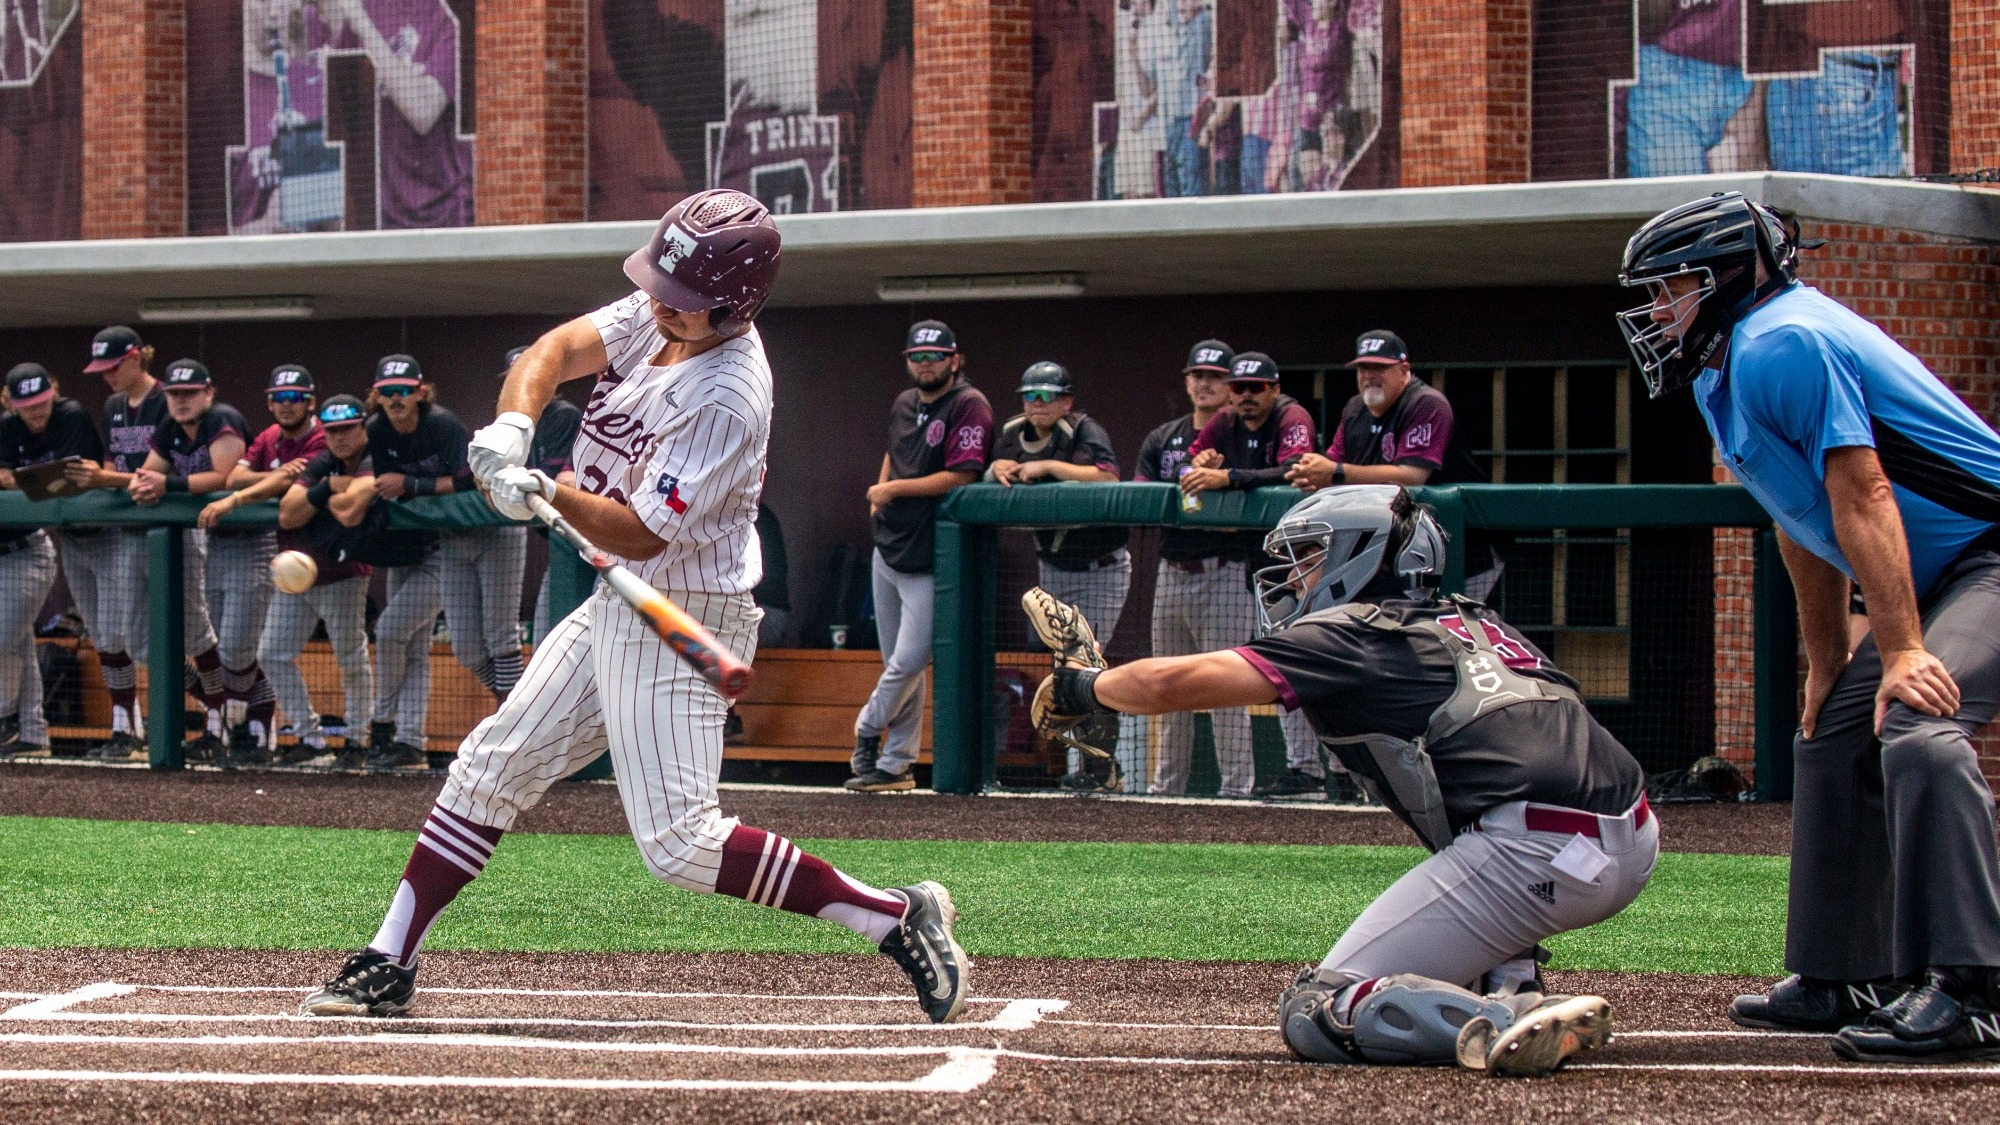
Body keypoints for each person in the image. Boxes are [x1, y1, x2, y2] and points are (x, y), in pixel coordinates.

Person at [302, 189, 968, 1025]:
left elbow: (644, 533)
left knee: (681, 843)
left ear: (734, 304)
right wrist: (515, 424)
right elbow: (555, 348)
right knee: (490, 766)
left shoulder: (729, 391)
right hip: (618, 602)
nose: (659, 303)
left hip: (682, 611)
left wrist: (548, 488)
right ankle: (388, 957)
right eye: (660, 284)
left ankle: (897, 915)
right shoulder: (666, 303)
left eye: (682, 300)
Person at [1025, 485, 1651, 1077]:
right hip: (1632, 836)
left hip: (1531, 855)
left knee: (1319, 1010)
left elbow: (1173, 684)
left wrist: (1087, 686)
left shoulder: (1353, 632)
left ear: (1366, 554)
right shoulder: (1476, 620)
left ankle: (1501, 1019)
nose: (1293, 577)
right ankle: (1511, 978)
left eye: (1310, 557)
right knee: (1472, 820)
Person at [1619, 191, 2000, 1063]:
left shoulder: (1786, 339)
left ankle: (1972, 985)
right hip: (1935, 577)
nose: (1652, 311)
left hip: (1987, 557)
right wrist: (1828, 661)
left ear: (1718, 281)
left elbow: (1862, 491)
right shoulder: (1719, 369)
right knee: (1830, 734)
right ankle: (1843, 972)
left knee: (1919, 725)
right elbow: (1802, 519)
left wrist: (1901, 650)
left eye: (1666, 289)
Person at [848, 319, 993, 793]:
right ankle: (895, 765)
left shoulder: (969, 404)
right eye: (918, 357)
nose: (926, 364)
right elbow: (893, 452)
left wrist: (891, 489)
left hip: (933, 553)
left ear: (956, 360)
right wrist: (880, 493)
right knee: (896, 661)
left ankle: (867, 729)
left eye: (935, 357)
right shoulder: (904, 402)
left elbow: (963, 475)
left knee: (910, 661)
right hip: (889, 546)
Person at [1178, 350, 1316, 797]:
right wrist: (1200, 466)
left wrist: (1230, 477)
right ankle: (1305, 769)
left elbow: (1295, 470)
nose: (1246, 396)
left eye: (1257, 388)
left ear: (1274, 389)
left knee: (1313, 665)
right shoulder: (1224, 420)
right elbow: (1193, 460)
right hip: (1262, 565)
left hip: (1309, 560)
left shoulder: (1292, 415)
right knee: (1281, 665)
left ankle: (1331, 770)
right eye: (1239, 388)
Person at [986, 361, 1126, 790]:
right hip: (1053, 567)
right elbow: (992, 468)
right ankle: (1080, 770)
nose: (1038, 404)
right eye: (1030, 395)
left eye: (1047, 396)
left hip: (1100, 565)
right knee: (1065, 669)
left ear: (1066, 401)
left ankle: (1100, 770)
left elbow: (1106, 478)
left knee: (1086, 661)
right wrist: (997, 471)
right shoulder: (1013, 433)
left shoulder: (1084, 431)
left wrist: (1048, 468)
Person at [1288, 330, 1502, 601]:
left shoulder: (1426, 403)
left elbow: (1412, 476)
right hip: (1400, 553)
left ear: (1404, 370)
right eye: (1364, 368)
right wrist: (1313, 474)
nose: (1369, 376)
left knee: (1460, 631)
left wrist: (1335, 474)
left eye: (1380, 367)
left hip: (1464, 551)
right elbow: (1333, 462)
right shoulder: (1354, 409)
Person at [1133, 339, 1251, 795]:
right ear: (1186, 382)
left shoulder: (1241, 435)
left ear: (1231, 384)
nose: (1204, 384)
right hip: (1172, 570)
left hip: (1222, 571)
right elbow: (1141, 494)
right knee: (1168, 687)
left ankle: (1237, 790)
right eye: (1197, 375)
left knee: (1227, 687)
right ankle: (1168, 789)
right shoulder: (1164, 437)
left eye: (1215, 376)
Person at [195, 365, 324, 766]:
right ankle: (248, 729)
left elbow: (283, 486)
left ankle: (344, 741)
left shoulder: (321, 437)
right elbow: (233, 475)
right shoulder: (269, 437)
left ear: (310, 401)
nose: (286, 407)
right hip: (284, 557)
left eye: (294, 399)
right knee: (252, 651)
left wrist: (247, 492)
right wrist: (275, 475)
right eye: (278, 399)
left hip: (324, 558)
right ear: (269, 403)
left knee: (348, 655)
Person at [129, 359, 247, 763]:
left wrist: (167, 484)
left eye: (189, 393)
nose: (181, 401)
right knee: (173, 639)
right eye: (174, 394)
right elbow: (149, 473)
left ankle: (238, 719)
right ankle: (222, 714)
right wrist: (147, 487)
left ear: (208, 393)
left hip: (249, 540)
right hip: (205, 537)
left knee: (238, 647)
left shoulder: (222, 419)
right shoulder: (169, 428)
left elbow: (223, 477)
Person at [60, 325, 164, 760]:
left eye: (113, 367)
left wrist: (107, 479)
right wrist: (97, 474)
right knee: (109, 635)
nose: (107, 376)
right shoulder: (114, 404)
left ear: (136, 357)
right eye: (101, 370)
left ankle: (219, 718)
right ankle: (126, 726)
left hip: (162, 530)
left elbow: (163, 471)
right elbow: (113, 460)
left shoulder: (166, 400)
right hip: (121, 526)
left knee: (153, 638)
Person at [363, 353, 468, 770]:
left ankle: (382, 724)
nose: (396, 399)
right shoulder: (375, 428)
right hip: (406, 547)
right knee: (415, 648)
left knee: (389, 632)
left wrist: (410, 483)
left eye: (404, 391)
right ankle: (410, 743)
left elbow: (466, 479)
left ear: (420, 392)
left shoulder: (441, 424)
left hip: (449, 547)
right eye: (388, 393)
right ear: (377, 396)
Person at [267, 395, 380, 769]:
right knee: (271, 654)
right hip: (296, 574)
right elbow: (287, 515)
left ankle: (357, 742)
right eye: (332, 430)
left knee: (350, 658)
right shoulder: (324, 462)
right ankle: (311, 740)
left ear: (362, 428)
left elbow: (350, 511)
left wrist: (326, 496)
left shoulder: (372, 458)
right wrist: (327, 488)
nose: (340, 437)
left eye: (347, 429)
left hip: (343, 574)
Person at [0, 364, 97, 758]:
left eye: (41, 402)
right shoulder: (8, 426)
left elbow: (79, 476)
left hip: (27, 550)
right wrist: (35, 480)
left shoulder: (71, 415)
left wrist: (22, 480)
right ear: (10, 403)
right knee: (18, 643)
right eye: (28, 406)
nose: (36, 411)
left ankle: (4, 719)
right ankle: (33, 734)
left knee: (3, 639)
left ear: (53, 392)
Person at [507, 345, 584, 645]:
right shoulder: (514, 421)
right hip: (561, 540)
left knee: (562, 639)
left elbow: (559, 482)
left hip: (588, 538)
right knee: (547, 640)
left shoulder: (563, 415)